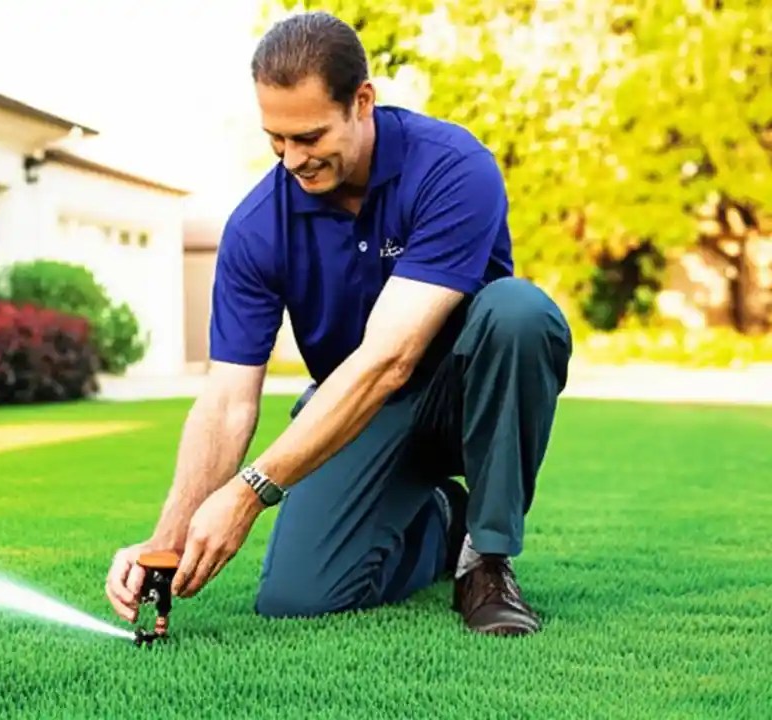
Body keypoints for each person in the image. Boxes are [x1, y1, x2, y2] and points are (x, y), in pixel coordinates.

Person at [104, 10, 572, 636]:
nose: (293, 158)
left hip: (469, 395)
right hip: (360, 415)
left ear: (362, 101)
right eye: (276, 138)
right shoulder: (257, 228)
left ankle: (484, 558)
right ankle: (439, 521)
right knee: (296, 597)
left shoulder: (453, 168)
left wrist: (247, 495)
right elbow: (225, 404)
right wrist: (166, 540)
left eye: (310, 136)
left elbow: (391, 358)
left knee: (519, 313)